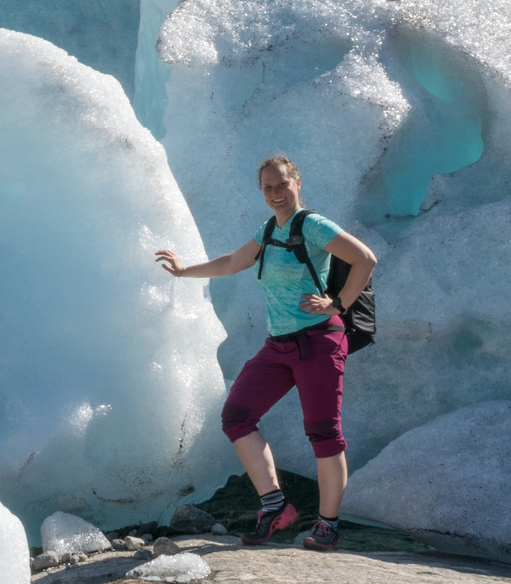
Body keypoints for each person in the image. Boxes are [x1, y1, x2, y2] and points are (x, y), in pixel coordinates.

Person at [154, 154, 377, 552]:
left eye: (282, 185)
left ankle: (327, 526)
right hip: (279, 345)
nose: (275, 193)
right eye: (268, 187)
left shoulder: (312, 225)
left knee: (324, 432)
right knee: (237, 416)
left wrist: (337, 304)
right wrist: (185, 271)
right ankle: (275, 507)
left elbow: (364, 259)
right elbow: (233, 263)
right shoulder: (268, 231)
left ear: (297, 183)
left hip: (319, 340)